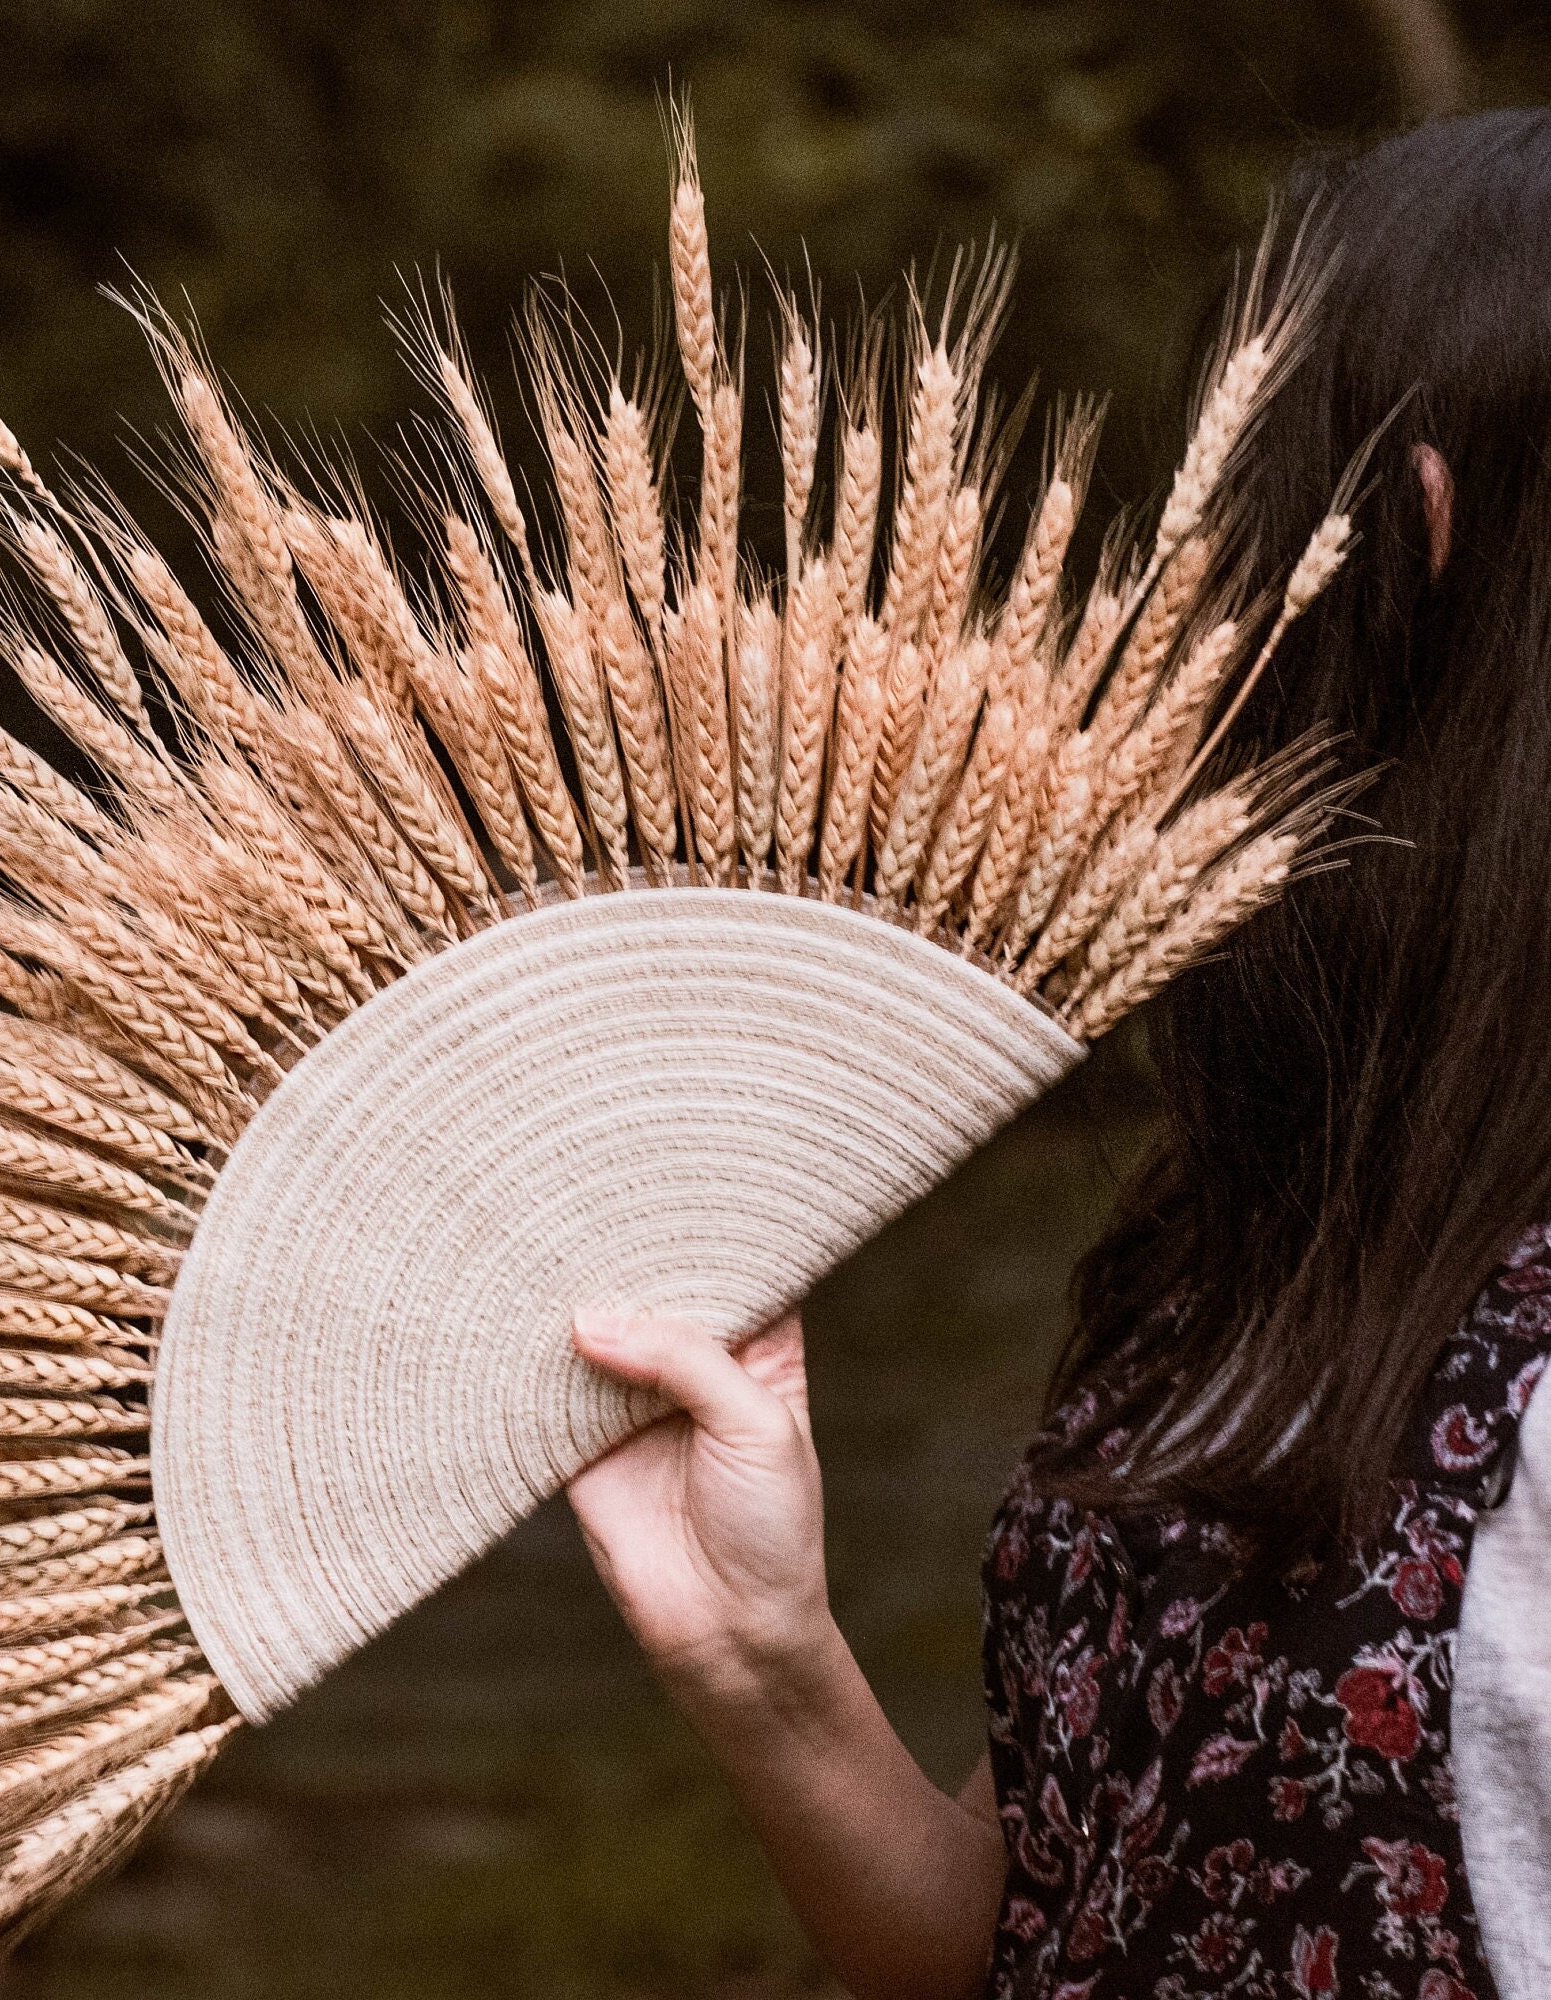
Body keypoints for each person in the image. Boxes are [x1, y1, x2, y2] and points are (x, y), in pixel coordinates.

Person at [563, 108, 1551, 2000]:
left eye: (1232, 524)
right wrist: (759, 1661)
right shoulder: (1248, 1254)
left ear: (1405, 533)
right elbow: (1043, 1939)